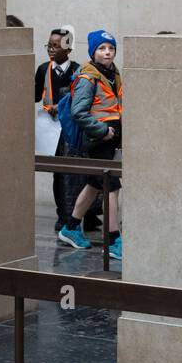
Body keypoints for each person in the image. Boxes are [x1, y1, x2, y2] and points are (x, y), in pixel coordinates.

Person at [57, 30, 124, 260]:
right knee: (112, 187)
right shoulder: (88, 77)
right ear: (93, 52)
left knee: (95, 184)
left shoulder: (112, 73)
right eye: (102, 48)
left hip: (110, 138)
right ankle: (114, 241)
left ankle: (72, 227)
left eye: (111, 48)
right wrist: (103, 131)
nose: (107, 52)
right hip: (98, 140)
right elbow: (78, 113)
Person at [35, 29, 81, 233]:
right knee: (57, 173)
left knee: (74, 174)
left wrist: (61, 107)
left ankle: (77, 214)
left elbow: (80, 99)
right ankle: (62, 214)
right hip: (50, 128)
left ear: (68, 48)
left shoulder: (78, 70)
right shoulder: (43, 69)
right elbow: (35, 95)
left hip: (70, 128)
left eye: (56, 46)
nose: (51, 50)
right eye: (49, 45)